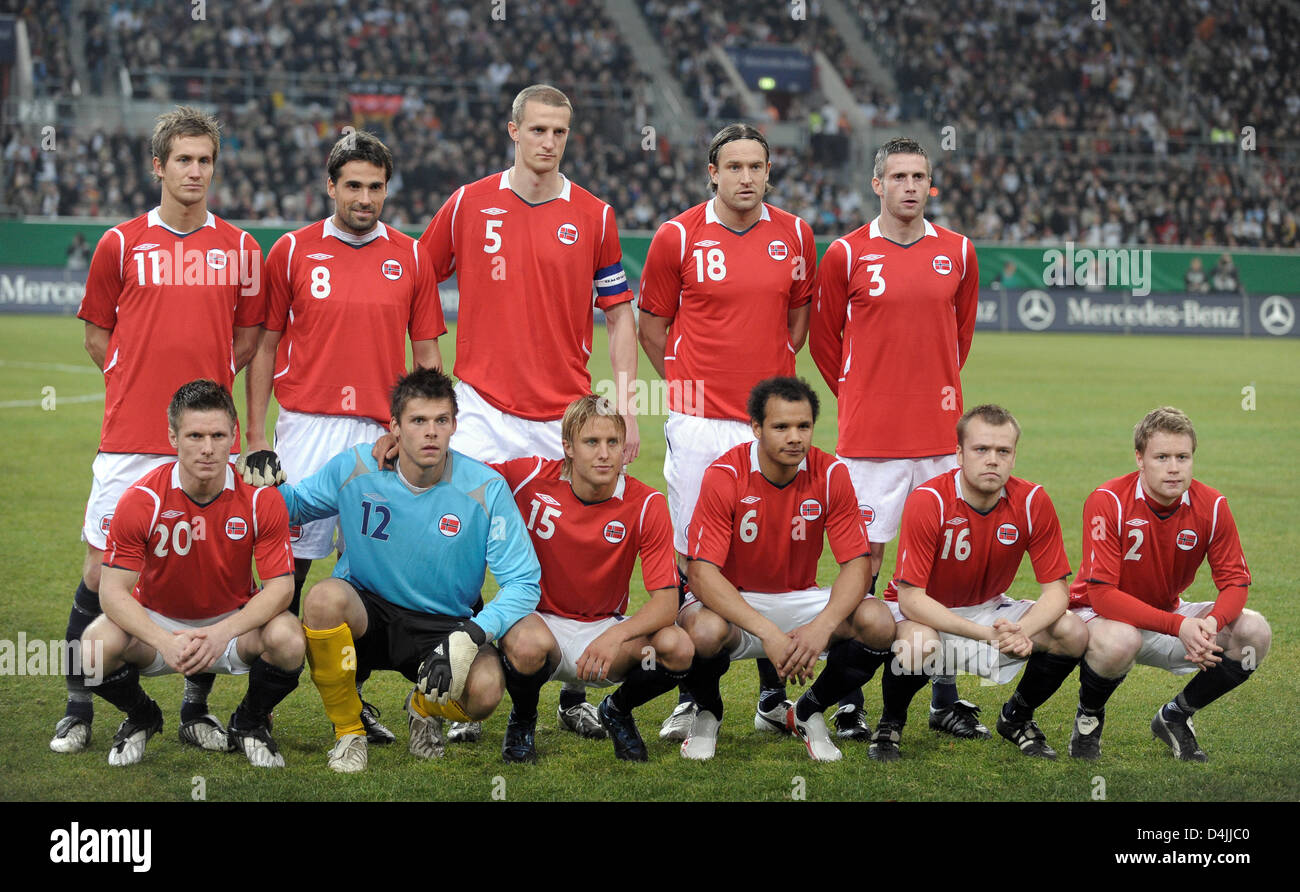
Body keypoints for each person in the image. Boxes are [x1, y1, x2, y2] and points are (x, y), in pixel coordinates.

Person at [418, 83, 638, 743]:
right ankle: (459, 684)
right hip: (481, 408)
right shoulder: (466, 203)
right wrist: (430, 382)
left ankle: (569, 691)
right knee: (456, 546)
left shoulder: (594, 215)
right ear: (511, 129)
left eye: (559, 133)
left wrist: (624, 404)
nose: (547, 143)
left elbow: (620, 314)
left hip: (561, 415)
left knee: (564, 553)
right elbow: (417, 279)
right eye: (536, 130)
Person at [54, 106, 265, 756]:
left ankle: (195, 703)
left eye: (205, 160)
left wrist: (203, 395)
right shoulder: (119, 244)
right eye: (184, 160)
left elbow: (250, 337)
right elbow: (98, 335)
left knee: (205, 570)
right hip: (128, 439)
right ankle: (78, 705)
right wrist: (137, 381)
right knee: (99, 570)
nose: (196, 171)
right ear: (158, 166)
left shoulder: (242, 248)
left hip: (205, 440)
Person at [636, 124, 852, 743]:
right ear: (712, 171)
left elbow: (798, 318)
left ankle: (769, 692)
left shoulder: (795, 233)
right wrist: (686, 388)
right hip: (701, 422)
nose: (747, 177)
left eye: (757, 166)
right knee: (694, 559)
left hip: (770, 421)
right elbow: (654, 324)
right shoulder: (677, 235)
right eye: (734, 166)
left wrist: (772, 391)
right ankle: (694, 699)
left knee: (769, 552)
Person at [241, 130, 445, 744]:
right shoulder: (292, 251)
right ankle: (259, 708)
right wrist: (256, 433)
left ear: (388, 189)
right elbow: (266, 346)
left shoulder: (411, 257)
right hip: (306, 428)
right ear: (330, 186)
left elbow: (428, 354)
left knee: (366, 577)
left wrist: (417, 429)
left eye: (375, 187)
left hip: (380, 435)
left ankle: (354, 704)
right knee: (291, 571)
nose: (364, 197)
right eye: (352, 185)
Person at [270, 367, 540, 772]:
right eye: (418, 421)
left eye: (441, 421)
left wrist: (472, 635)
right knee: (324, 599)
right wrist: (264, 482)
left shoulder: (485, 488)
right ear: (394, 427)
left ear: (454, 425)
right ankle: (349, 733)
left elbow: (524, 581)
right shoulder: (358, 467)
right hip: (369, 613)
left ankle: (421, 709)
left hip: (445, 624)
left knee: (486, 693)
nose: (430, 432)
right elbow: (295, 505)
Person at [810, 135, 981, 739]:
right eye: (899, 177)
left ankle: (943, 698)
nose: (911, 187)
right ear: (877, 183)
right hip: (869, 442)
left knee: (940, 567)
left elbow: (959, 338)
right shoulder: (846, 254)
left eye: (921, 177)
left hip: (938, 436)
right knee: (866, 566)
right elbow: (826, 341)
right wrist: (859, 395)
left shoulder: (958, 251)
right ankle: (851, 700)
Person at [81, 380, 302, 767]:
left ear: (234, 435)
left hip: (232, 624)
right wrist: (163, 641)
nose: (208, 448)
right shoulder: (141, 500)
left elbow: (281, 588)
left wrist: (222, 632)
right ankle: (142, 716)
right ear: (173, 437)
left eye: (218, 435)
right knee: (92, 648)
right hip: (157, 625)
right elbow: (112, 592)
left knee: (289, 638)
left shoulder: (260, 498)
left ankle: (249, 723)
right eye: (195, 435)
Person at [678, 377, 895, 762]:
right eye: (781, 427)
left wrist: (821, 627)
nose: (795, 437)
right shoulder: (725, 475)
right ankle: (708, 712)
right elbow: (702, 574)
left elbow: (858, 566)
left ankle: (808, 710)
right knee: (703, 631)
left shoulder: (831, 474)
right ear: (757, 428)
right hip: (736, 602)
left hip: (800, 598)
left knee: (878, 622)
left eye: (804, 426)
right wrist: (768, 633)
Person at [869, 405, 1087, 761]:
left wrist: (1021, 630)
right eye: (981, 449)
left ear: (1014, 456)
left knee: (1073, 632)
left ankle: (1017, 717)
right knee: (917, 645)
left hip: (988, 607)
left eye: (1003, 451)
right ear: (958, 454)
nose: (992, 460)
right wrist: (986, 635)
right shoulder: (930, 499)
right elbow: (910, 599)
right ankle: (890, 724)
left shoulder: (1032, 501)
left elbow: (1057, 592)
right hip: (923, 613)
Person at [493, 395, 692, 762]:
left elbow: (667, 603)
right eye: (591, 442)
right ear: (567, 446)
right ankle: (522, 719)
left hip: (605, 635)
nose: (604, 454)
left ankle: (616, 710)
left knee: (677, 649)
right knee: (525, 647)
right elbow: (462, 471)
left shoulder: (646, 503)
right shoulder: (529, 477)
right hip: (540, 625)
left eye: (612, 442)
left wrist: (614, 635)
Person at [1067, 407, 1271, 761]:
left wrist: (1210, 623)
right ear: (1139, 459)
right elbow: (1101, 595)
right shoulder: (1108, 500)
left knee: (1255, 632)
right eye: (1161, 457)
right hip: (1101, 619)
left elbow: (1235, 582)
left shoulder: (1212, 505)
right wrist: (1180, 627)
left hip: (1167, 615)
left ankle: (1176, 715)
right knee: (1120, 640)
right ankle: (1088, 718)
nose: (1173, 467)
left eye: (1183, 457)